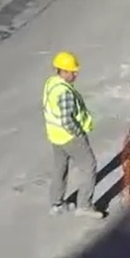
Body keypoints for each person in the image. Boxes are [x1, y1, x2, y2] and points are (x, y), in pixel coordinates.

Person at [43, 51, 97, 216]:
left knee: (60, 168)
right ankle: (84, 206)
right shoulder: (65, 93)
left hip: (55, 136)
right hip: (69, 137)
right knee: (89, 166)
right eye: (72, 71)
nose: (75, 74)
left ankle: (56, 203)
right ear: (63, 71)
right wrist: (78, 134)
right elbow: (67, 120)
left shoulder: (51, 83)